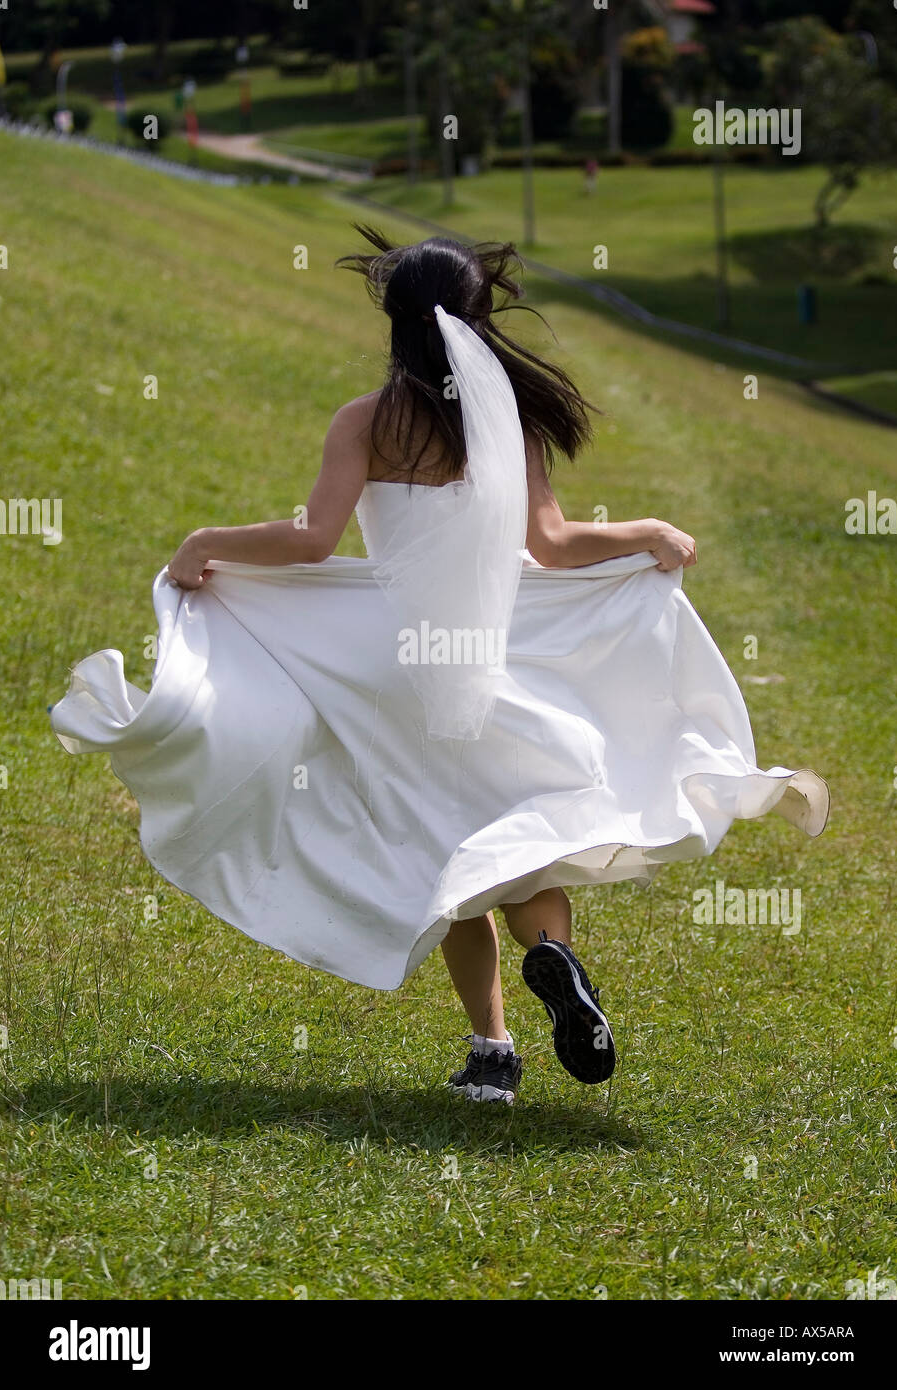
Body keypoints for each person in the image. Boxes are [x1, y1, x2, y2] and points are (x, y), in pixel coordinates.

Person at [51, 227, 829, 1106]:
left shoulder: (366, 421)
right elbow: (554, 542)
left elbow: (310, 542)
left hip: (398, 670)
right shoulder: (506, 424)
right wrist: (645, 532)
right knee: (521, 844)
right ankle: (553, 956)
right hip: (491, 660)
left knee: (446, 849)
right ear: (479, 316)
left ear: (394, 321)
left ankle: (491, 1051)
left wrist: (204, 545)